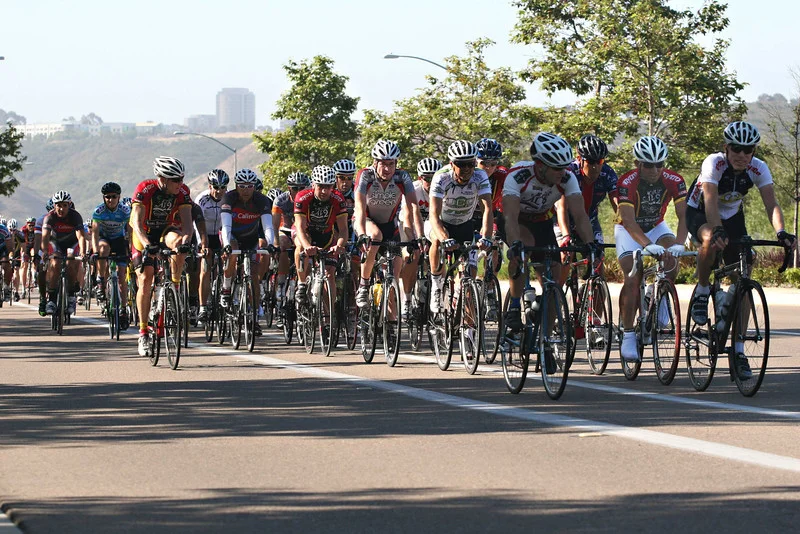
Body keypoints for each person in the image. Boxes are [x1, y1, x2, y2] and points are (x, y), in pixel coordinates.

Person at [687, 121, 797, 379]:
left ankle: (738, 350)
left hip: (733, 217)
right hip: (701, 212)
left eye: (748, 150)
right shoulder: (713, 163)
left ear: (753, 152)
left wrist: (781, 232)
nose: (742, 154)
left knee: (745, 272)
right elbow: (710, 200)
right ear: (726, 148)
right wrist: (716, 229)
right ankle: (703, 290)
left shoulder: (758, 168)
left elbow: (771, 204)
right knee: (709, 241)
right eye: (736, 148)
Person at [502, 133, 600, 331]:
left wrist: (591, 245)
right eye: (556, 168)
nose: (561, 172)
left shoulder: (566, 178)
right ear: (540, 165)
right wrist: (515, 245)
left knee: (554, 283)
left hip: (542, 221)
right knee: (523, 250)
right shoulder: (518, 176)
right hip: (516, 220)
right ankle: (513, 307)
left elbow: (580, 216)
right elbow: (510, 217)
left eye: (564, 167)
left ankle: (545, 341)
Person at [615, 136, 688, 363]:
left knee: (672, 261)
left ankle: (660, 297)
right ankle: (627, 334)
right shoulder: (627, 182)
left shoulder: (674, 180)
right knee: (632, 276)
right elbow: (628, 222)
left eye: (660, 164)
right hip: (629, 230)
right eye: (648, 165)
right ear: (638, 164)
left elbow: (684, 215)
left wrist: (679, 242)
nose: (654, 170)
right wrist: (648, 245)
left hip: (656, 225)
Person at [130, 156, 194, 356]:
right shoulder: (145, 189)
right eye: (175, 179)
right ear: (162, 178)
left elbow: (187, 225)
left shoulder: (183, 192)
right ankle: (142, 332)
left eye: (182, 178)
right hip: (144, 232)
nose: (180, 183)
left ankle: (173, 287)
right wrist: (148, 246)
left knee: (178, 242)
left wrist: (186, 242)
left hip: (165, 229)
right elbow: (138, 224)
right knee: (146, 277)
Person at [354, 140, 424, 308]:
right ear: (374, 163)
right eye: (383, 164)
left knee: (394, 271)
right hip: (366, 221)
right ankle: (363, 286)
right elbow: (360, 206)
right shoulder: (366, 175)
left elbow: (414, 207)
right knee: (375, 236)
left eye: (391, 164)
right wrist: (363, 234)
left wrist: (419, 236)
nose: (387, 169)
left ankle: (391, 325)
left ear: (396, 163)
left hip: (389, 224)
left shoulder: (402, 177)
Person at [427, 141, 494, 313]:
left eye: (470, 164)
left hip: (465, 224)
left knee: (470, 273)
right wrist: (444, 238)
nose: (466, 169)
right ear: (451, 164)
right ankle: (436, 285)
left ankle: (465, 318)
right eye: (461, 164)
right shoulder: (441, 177)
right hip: (442, 224)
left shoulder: (480, 176)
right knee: (435, 240)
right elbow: (433, 214)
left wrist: (486, 236)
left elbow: (487, 208)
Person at [219, 168, 274, 336]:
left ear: (254, 187)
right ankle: (227, 288)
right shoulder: (229, 198)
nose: (245, 190)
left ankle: (255, 319)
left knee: (254, 275)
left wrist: (271, 244)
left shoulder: (261, 200)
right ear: (236, 186)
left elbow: (268, 226)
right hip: (232, 235)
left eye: (249, 186)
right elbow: (226, 225)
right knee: (233, 251)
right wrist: (227, 244)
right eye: (242, 186)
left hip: (250, 239)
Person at [293, 165, 348, 311]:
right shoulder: (303, 197)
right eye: (320, 187)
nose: (324, 191)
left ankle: (330, 316)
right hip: (306, 233)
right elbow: (299, 227)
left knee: (329, 274)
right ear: (313, 185)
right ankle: (302, 284)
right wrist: (307, 247)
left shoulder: (337, 198)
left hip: (326, 236)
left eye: (328, 187)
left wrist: (339, 245)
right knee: (300, 247)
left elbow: (343, 229)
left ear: (333, 186)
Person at [399, 157, 440, 320]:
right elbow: (408, 215)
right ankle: (407, 299)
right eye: (426, 178)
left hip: (431, 226)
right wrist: (413, 240)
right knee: (412, 256)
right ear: (419, 178)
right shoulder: (413, 190)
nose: (430, 182)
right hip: (409, 226)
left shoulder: (443, 189)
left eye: (433, 177)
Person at [91, 181, 132, 328]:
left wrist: (131, 249)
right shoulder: (99, 211)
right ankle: (101, 280)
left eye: (113, 197)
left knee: (121, 277)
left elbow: (130, 231)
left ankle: (122, 310)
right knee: (103, 250)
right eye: (107, 197)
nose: (110, 200)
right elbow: (94, 233)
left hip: (119, 240)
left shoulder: (125, 211)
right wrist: (95, 252)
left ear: (119, 197)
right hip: (104, 239)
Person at [41, 191, 88, 316]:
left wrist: (83, 252)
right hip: (56, 243)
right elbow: (45, 237)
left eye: (65, 205)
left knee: (70, 261)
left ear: (69, 205)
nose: (61, 209)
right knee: (55, 262)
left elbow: (81, 237)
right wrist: (45, 251)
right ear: (54, 206)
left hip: (71, 243)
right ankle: (51, 298)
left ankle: (71, 296)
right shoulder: (50, 217)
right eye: (59, 205)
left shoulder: (75, 216)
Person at [271, 172, 311, 311]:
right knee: (282, 246)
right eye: (295, 189)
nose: (299, 192)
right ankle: (281, 285)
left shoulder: (310, 199)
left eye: (303, 188)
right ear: (289, 189)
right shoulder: (280, 201)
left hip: (303, 231)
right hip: (286, 230)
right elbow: (274, 226)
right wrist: (275, 244)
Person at [196, 169, 229, 323]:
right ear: (209, 186)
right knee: (205, 268)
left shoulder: (228, 199)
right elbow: (197, 224)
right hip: (204, 234)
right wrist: (202, 245)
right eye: (215, 187)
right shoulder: (201, 199)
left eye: (223, 187)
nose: (219, 191)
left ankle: (226, 295)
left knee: (228, 262)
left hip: (221, 235)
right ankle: (203, 307)